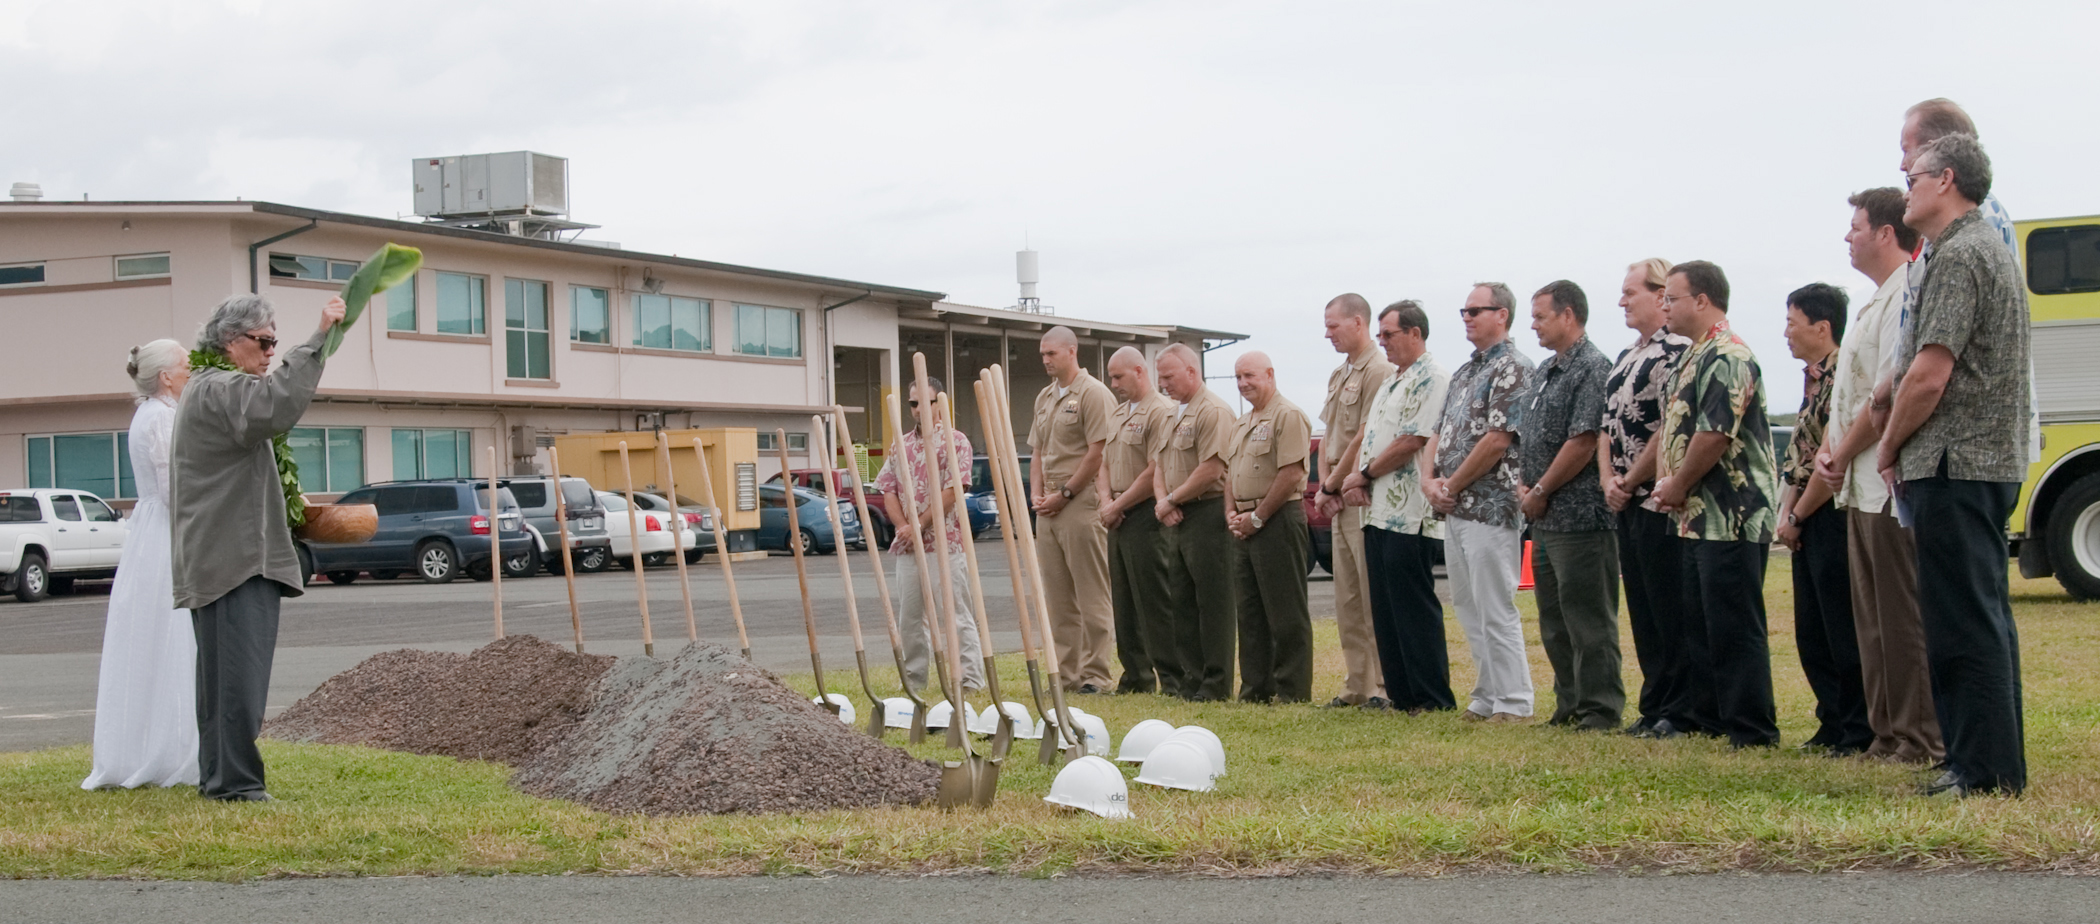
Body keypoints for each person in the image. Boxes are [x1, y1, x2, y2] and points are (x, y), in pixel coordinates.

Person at [1878, 133, 2031, 796]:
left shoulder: (1962, 252)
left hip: (1957, 459)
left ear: (1945, 181)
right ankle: (1983, 761)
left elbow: (1929, 373)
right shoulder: (1968, 248)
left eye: (1913, 177)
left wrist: (1887, 446)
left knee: (1961, 621)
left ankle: (1984, 770)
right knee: (1978, 613)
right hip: (1974, 460)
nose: (1905, 185)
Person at [172, 293, 343, 802]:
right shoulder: (222, 388)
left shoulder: (211, 388)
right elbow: (275, 406)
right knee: (236, 684)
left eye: (275, 343)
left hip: (227, 555)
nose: (271, 352)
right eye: (264, 341)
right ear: (230, 342)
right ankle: (235, 786)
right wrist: (316, 340)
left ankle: (223, 780)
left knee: (225, 682)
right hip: (233, 560)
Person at [1816, 187, 1945, 765]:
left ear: (1887, 233)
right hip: (1858, 484)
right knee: (1871, 622)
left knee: (1900, 619)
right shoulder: (1874, 302)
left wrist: (1840, 452)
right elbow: (1847, 399)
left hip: (1885, 484)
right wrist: (1829, 450)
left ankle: (1918, 737)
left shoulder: (1904, 298)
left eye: (1856, 226)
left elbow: (1885, 396)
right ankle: (1887, 732)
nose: (1848, 236)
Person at [1640, 260, 1781, 749]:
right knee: (1700, 622)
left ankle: (1752, 728)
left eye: (1671, 298)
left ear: (1702, 300)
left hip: (1732, 512)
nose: (1664, 306)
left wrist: (1678, 482)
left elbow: (1715, 433)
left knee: (1734, 625)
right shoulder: (1693, 354)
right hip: (1698, 517)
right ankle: (1708, 716)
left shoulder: (1727, 355)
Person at [82, 340, 199, 791]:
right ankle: (169, 750)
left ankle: (153, 743)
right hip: (167, 530)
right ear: (166, 376)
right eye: (185, 365)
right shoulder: (162, 419)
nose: (191, 369)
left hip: (150, 529)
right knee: (169, 631)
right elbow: (176, 487)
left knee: (152, 634)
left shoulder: (149, 415)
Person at [1423, 282, 1536, 723]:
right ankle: (1488, 695)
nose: (1466, 317)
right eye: (1464, 311)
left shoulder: (1513, 368)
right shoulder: (1466, 371)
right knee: (1468, 607)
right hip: (1455, 508)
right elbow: (1437, 432)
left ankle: (1515, 701)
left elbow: (1497, 440)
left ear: (1502, 314)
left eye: (1475, 310)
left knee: (1495, 606)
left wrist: (1449, 485)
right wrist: (1428, 480)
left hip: (1490, 507)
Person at [1516, 280, 1621, 732]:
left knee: (1588, 619)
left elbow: (1582, 440)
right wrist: (1526, 488)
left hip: (1580, 516)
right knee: (1554, 619)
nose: (1534, 325)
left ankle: (1599, 709)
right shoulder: (1544, 371)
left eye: (1541, 316)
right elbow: (1530, 436)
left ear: (1569, 315)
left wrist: (1539, 490)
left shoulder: (1593, 368)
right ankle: (1570, 703)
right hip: (1545, 520)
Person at [1340, 301, 1452, 713]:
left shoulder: (1433, 378)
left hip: (1409, 513)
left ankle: (1432, 697)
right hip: (1377, 509)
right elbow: (1370, 436)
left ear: (1415, 334)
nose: (1382, 341)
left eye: (1389, 334)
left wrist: (1364, 474)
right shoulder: (1391, 382)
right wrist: (1355, 478)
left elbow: (1413, 440)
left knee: (1413, 607)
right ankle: (1403, 696)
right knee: (1384, 608)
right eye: (1381, 335)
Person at [1775, 282, 1871, 756]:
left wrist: (1796, 513)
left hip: (1828, 511)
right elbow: (1799, 454)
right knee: (1811, 630)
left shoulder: (1840, 379)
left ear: (1822, 327)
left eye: (1792, 322)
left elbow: (1829, 460)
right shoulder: (1812, 378)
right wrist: (1788, 513)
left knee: (1841, 627)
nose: (1786, 333)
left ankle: (1856, 727)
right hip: (1804, 514)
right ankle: (1831, 721)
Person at [1600, 259, 1695, 738]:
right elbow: (1605, 427)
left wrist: (1632, 478)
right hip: (1623, 498)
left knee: (1668, 603)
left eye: (1629, 292)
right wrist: (1608, 481)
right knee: (1641, 604)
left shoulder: (1677, 351)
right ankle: (1654, 701)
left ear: (1661, 295)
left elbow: (1669, 425)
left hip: (1656, 497)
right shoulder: (1624, 357)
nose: (1621, 302)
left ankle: (1679, 707)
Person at [1311, 293, 1397, 709]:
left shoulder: (1378, 370)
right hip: (1337, 492)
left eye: (1334, 325)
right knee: (1345, 596)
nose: (1327, 334)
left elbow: (1363, 435)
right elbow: (1329, 432)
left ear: (1358, 323)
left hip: (1359, 495)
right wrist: (1326, 480)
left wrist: (1336, 483)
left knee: (1368, 593)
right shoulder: (1339, 374)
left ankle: (1382, 685)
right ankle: (1357, 683)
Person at [874, 377, 984, 695]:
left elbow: (954, 490)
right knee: (909, 616)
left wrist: (920, 524)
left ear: (939, 403)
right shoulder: (901, 443)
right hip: (909, 545)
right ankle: (914, 679)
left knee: (955, 612)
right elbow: (888, 489)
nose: (919, 408)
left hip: (945, 542)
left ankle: (969, 679)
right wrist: (903, 528)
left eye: (926, 401)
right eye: (913, 403)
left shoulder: (956, 441)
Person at [1028, 326, 1117, 694]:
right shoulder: (1045, 397)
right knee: (1059, 596)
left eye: (1052, 353)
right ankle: (1067, 675)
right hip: (1048, 506)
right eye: (1043, 355)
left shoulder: (1093, 393)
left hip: (1079, 502)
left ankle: (1096, 674)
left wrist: (1065, 493)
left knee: (1090, 592)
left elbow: (1098, 452)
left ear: (1071, 351)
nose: (1046, 360)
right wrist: (1035, 494)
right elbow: (1036, 450)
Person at [1223, 351, 1314, 703]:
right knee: (1249, 612)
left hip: (1276, 519)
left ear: (1270, 375)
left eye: (1250, 376)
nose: (1244, 384)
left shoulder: (1287, 416)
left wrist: (1257, 517)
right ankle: (1256, 689)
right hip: (1243, 523)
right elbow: (1231, 472)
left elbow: (1290, 472)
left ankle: (1292, 691)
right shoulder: (1243, 423)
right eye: (1238, 378)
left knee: (1285, 611)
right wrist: (1231, 512)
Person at [1153, 343, 1239, 702]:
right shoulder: (1174, 413)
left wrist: (1173, 499)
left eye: (1169, 376)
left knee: (1213, 601)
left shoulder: (1213, 411)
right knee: (1182, 601)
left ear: (1192, 370)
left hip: (1206, 512)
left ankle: (1215, 683)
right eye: (1160, 378)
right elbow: (1158, 464)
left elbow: (1212, 468)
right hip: (1176, 514)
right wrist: (1163, 501)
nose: (1163, 384)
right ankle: (1192, 679)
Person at [1099, 346, 1177, 694]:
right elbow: (1104, 462)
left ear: (1139, 371)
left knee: (1154, 599)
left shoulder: (1160, 411)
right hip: (1116, 513)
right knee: (1124, 600)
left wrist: (1119, 505)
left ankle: (1171, 675)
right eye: (1111, 377)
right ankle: (1135, 675)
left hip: (1143, 512)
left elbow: (1153, 470)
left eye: (1119, 376)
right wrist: (1106, 502)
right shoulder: (1118, 414)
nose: (1113, 383)